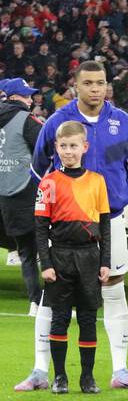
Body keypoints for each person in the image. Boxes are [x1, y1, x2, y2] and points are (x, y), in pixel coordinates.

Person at [18, 61, 128, 393]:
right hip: (61, 231)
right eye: (88, 83)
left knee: (114, 287)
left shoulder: (124, 122)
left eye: (101, 83)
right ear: (76, 86)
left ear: (108, 86)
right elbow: (40, 170)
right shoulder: (56, 123)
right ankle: (39, 370)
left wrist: (114, 198)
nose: (95, 89)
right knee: (52, 295)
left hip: (108, 219)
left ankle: (120, 369)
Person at [33, 121, 110, 394]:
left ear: (84, 147)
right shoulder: (49, 182)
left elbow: (105, 225)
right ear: (56, 148)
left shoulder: (97, 181)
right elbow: (41, 228)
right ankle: (60, 377)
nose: (68, 151)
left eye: (73, 146)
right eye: (63, 146)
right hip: (61, 256)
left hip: (90, 257)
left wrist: (105, 262)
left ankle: (87, 378)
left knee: (88, 319)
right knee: (60, 318)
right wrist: (47, 264)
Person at [0, 78, 44, 312]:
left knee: (26, 253)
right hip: (31, 192)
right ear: (14, 96)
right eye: (26, 95)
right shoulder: (27, 120)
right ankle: (51, 301)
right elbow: (45, 151)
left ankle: (34, 302)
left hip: (5, 196)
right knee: (48, 250)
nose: (31, 99)